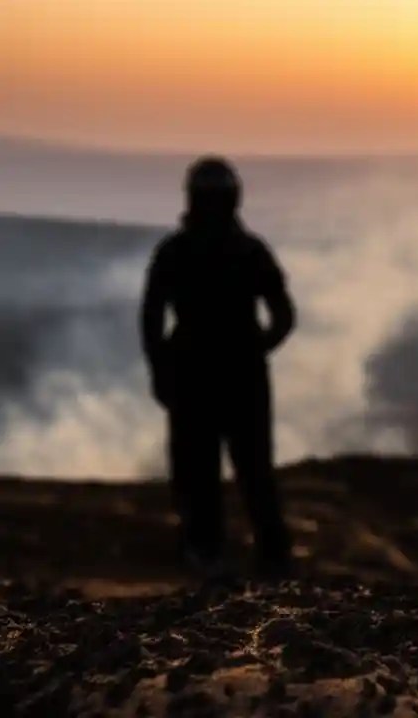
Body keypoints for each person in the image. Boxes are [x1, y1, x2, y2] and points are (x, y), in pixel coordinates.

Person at [140, 156, 296, 578]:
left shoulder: (176, 251)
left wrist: (160, 369)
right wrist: (256, 347)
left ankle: (214, 554)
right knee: (246, 469)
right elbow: (282, 315)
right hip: (233, 375)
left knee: (206, 471)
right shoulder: (248, 250)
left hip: (197, 374)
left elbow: (151, 320)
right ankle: (269, 557)